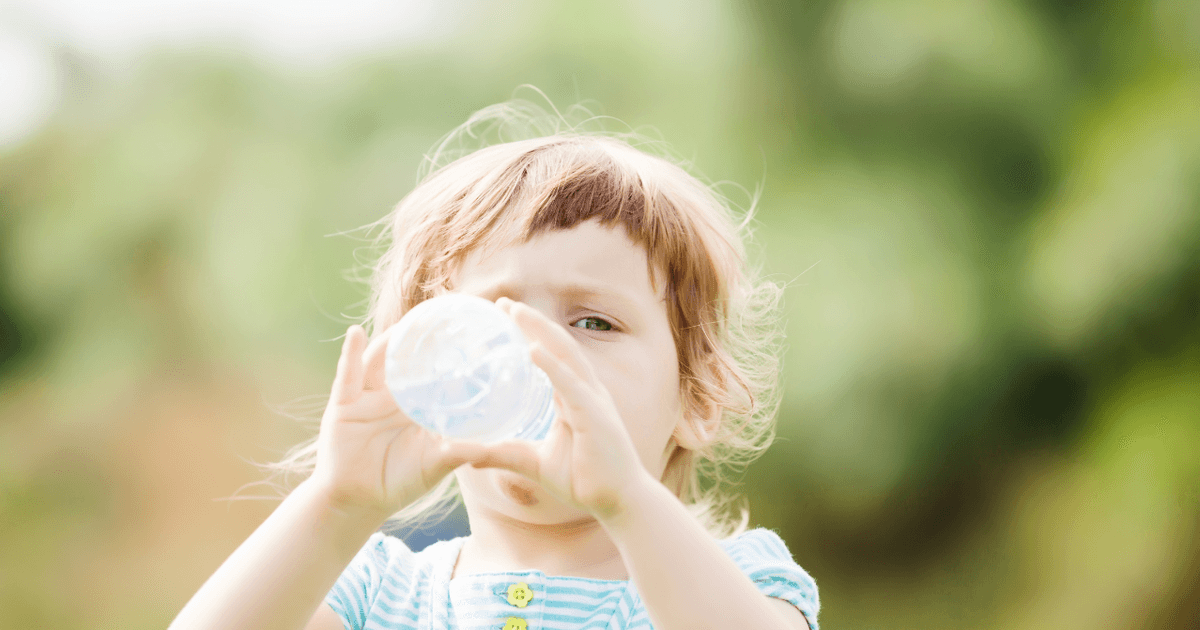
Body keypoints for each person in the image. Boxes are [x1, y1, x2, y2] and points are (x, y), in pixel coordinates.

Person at [168, 99, 820, 630]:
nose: (535, 351)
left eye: (594, 322)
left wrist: (626, 500)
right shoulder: (375, 593)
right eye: (491, 320)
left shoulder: (735, 585)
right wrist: (338, 505)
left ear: (697, 396)